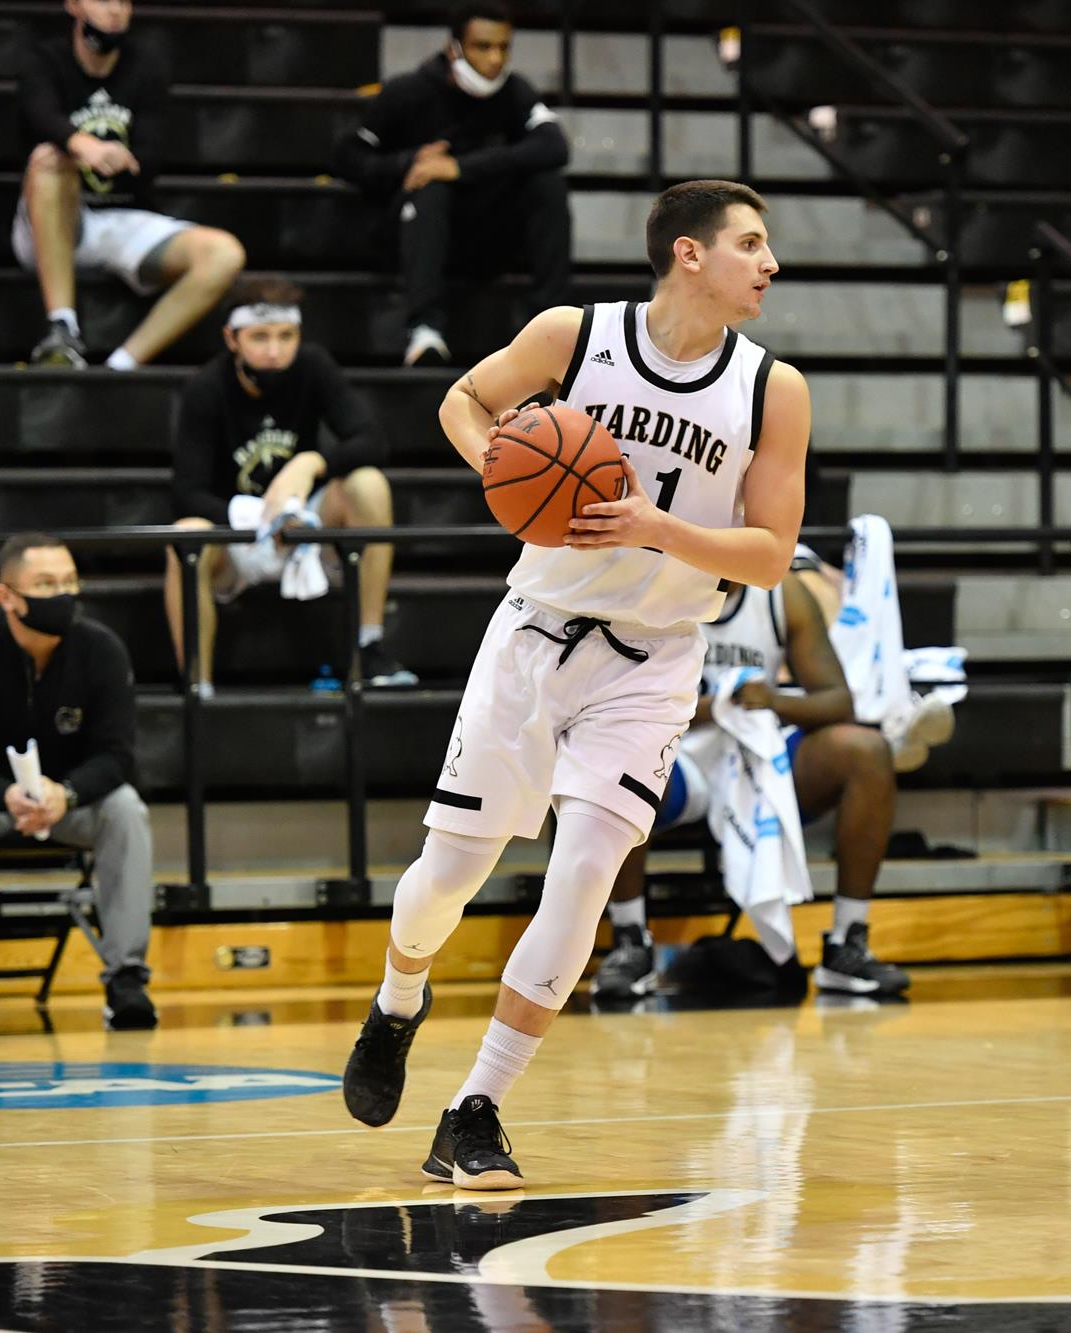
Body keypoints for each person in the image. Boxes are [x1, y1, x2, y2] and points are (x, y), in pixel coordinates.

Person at [339, 179, 802, 1188]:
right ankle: (398, 998)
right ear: (688, 253)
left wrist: (657, 528)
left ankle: (475, 1110)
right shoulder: (575, 335)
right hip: (533, 636)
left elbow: (770, 554)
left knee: (586, 871)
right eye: (751, 243)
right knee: (447, 878)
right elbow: (462, 400)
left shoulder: (773, 388)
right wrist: (502, 469)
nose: (769, 264)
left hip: (655, 656)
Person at [595, 571, 910, 1000]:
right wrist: (713, 708)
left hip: (761, 757)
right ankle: (630, 939)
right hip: (677, 757)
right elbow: (614, 702)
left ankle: (847, 942)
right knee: (618, 761)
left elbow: (838, 701)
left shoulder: (782, 593)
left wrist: (774, 700)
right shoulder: (653, 584)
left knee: (866, 752)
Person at [0, 533, 156, 1037]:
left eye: (70, 582)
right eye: (45, 584)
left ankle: (127, 978)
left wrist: (67, 793)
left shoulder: (102, 650)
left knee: (127, 809)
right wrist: (2, 794)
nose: (62, 594)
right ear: (6, 595)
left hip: (67, 802)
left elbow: (117, 756)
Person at [165, 279, 415, 691]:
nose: (274, 350)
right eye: (260, 337)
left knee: (368, 484)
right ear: (231, 338)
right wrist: (261, 518)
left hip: (304, 529)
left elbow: (372, 440)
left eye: (286, 336)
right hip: (237, 536)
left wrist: (311, 462)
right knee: (186, 536)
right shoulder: (206, 387)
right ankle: (197, 684)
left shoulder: (313, 366)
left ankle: (368, 647)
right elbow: (186, 493)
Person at [331, 2, 570, 367]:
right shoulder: (408, 92)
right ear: (454, 48)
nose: (495, 59)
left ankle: (549, 326)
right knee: (431, 187)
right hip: (415, 234)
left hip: (487, 237)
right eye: (483, 47)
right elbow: (347, 155)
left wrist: (459, 167)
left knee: (548, 184)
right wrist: (409, 162)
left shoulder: (515, 92)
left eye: (503, 47)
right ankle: (424, 329)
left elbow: (554, 146)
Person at [14, 0, 245, 368]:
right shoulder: (44, 60)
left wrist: (120, 159)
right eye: (103, 0)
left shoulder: (146, 65)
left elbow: (150, 158)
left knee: (224, 254)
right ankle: (62, 328)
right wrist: (81, 145)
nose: (115, 11)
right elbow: (41, 117)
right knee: (48, 158)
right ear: (74, 5)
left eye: (123, 2)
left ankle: (122, 364)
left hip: (122, 215)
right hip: (57, 220)